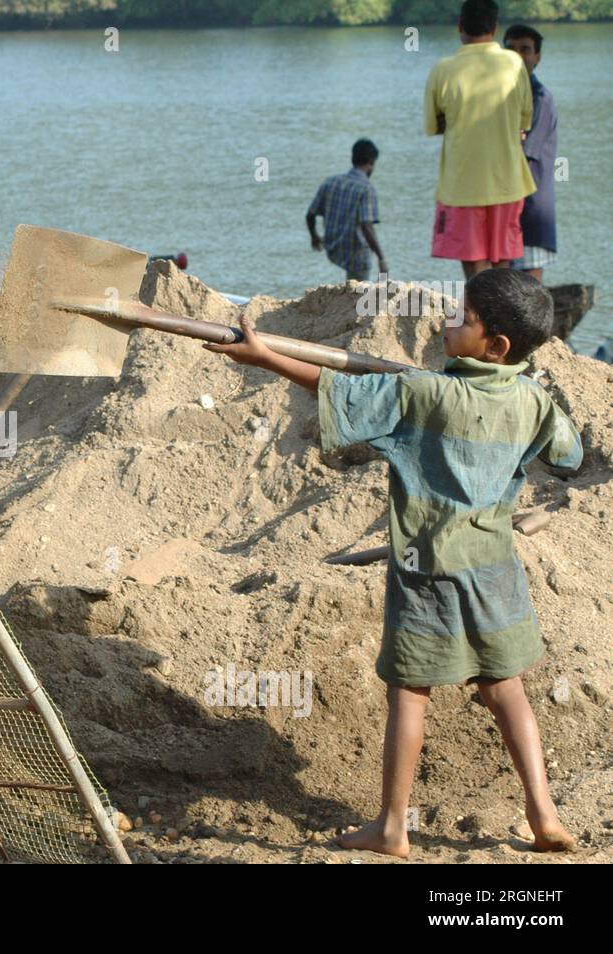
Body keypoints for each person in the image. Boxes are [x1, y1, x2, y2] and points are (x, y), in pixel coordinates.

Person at [204, 268, 581, 858]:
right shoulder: (531, 400)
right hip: (494, 568)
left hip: (426, 567)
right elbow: (569, 452)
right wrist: (527, 395)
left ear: (495, 345)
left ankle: (392, 828)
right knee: (506, 687)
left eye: (463, 319)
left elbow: (337, 392)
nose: (446, 322)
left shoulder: (425, 394)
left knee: (409, 693)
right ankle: (543, 815)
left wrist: (265, 357)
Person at [425, 0, 535, 278]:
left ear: (460, 27)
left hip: (462, 184)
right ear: (495, 28)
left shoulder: (443, 69)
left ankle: (477, 319)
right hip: (506, 180)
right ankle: (499, 319)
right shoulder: (513, 62)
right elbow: (525, 118)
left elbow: (432, 125)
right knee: (503, 261)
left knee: (473, 262)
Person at [504, 24, 558, 281]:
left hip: (531, 207)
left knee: (529, 289)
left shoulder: (540, 99)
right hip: (504, 206)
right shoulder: (502, 98)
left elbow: (522, 151)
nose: (517, 55)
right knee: (500, 290)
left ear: (537, 57)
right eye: (510, 49)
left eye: (525, 49)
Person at [306, 139, 387, 282]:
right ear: (371, 162)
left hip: (333, 246)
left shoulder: (331, 182)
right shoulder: (366, 189)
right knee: (362, 278)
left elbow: (310, 215)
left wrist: (314, 236)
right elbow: (366, 226)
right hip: (354, 254)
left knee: (353, 281)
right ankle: (357, 299)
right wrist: (381, 258)